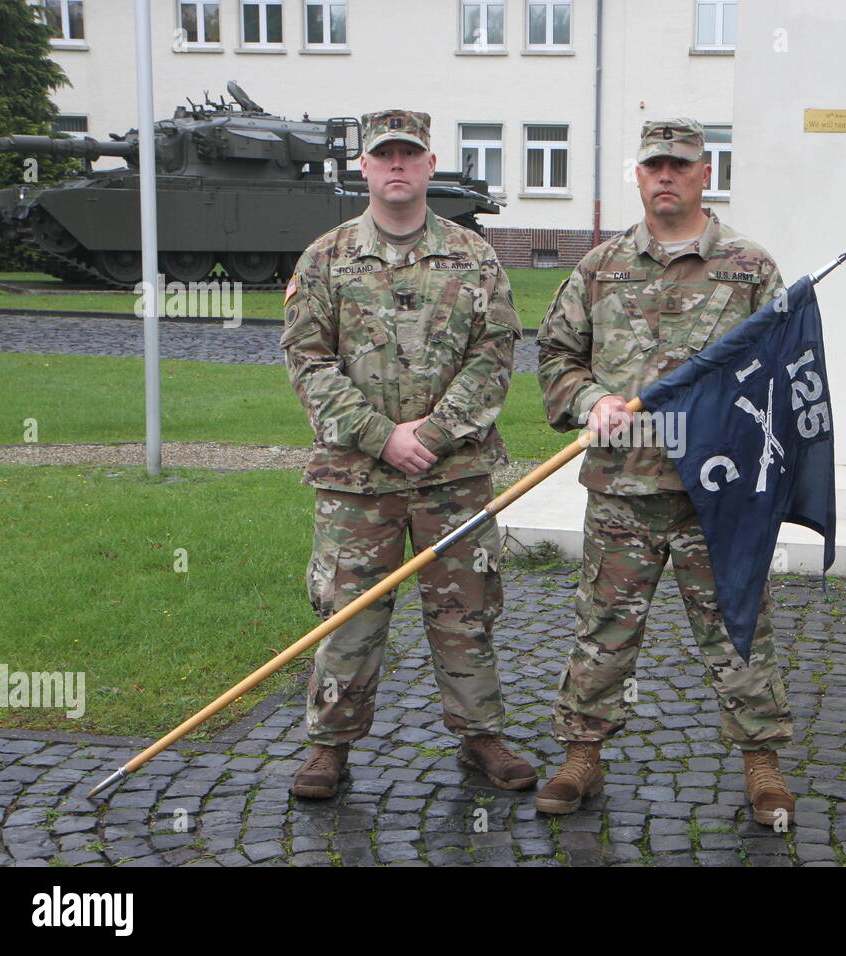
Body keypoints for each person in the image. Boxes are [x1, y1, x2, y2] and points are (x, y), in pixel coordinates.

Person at [533, 117, 797, 826]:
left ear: (704, 173)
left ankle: (762, 761)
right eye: (654, 165)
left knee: (739, 626)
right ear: (639, 174)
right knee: (605, 629)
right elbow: (557, 357)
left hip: (716, 494)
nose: (666, 177)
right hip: (624, 489)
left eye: (680, 164)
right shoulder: (600, 267)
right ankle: (582, 754)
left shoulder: (749, 268)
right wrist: (589, 401)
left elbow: (782, 370)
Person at [280, 109, 533, 799]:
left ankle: (481, 735)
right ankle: (330, 746)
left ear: (428, 166)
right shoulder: (326, 259)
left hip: (453, 475)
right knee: (348, 614)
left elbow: (495, 354)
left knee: (467, 609)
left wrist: (434, 433)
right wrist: (381, 435)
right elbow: (308, 365)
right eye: (383, 154)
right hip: (357, 481)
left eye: (409, 154)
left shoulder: (473, 256)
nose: (397, 165)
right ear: (363, 166)